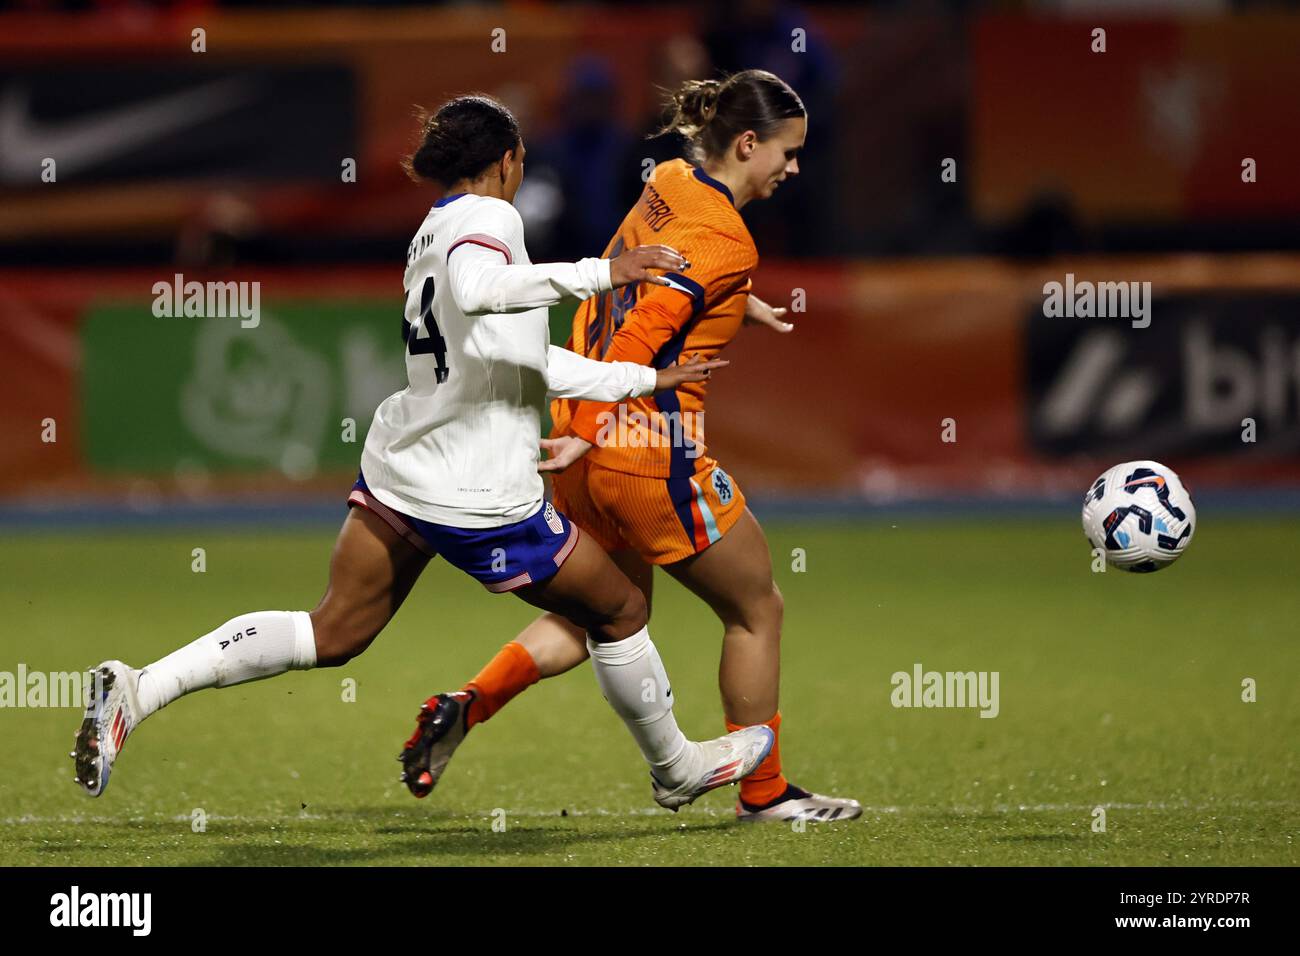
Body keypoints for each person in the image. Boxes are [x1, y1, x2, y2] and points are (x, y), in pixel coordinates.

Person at [72, 94, 775, 812]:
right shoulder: (492, 219)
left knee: (334, 630)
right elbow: (480, 291)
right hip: (477, 493)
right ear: (505, 162)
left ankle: (140, 686)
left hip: (403, 463)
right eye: (520, 159)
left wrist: (640, 378)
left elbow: (522, 354)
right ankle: (677, 768)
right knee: (620, 611)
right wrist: (601, 276)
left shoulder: (432, 227)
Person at [402, 73, 862, 823]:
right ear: (749, 144)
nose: (795, 166)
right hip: (644, 445)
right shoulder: (727, 238)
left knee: (604, 617)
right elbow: (641, 331)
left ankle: (470, 704)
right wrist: (592, 431)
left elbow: (649, 278)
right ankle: (765, 792)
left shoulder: (672, 182)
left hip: (578, 444)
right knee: (756, 609)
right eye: (789, 150)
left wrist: (734, 303)